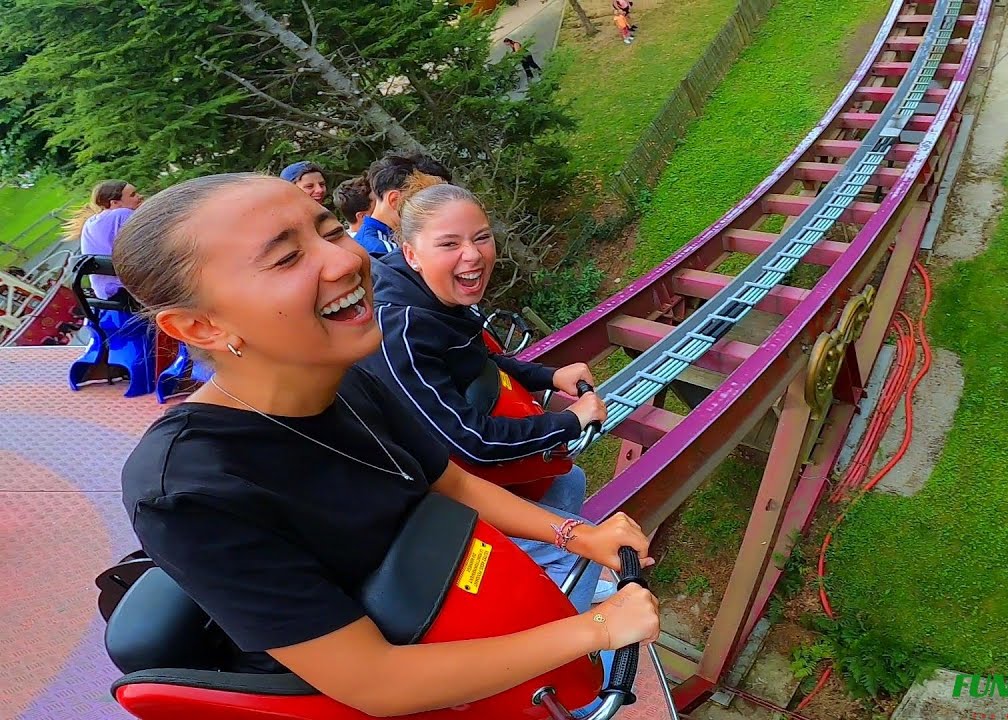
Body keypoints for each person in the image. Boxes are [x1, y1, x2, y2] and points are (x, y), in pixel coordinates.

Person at [113, 172, 660, 717]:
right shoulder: (189, 491)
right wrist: (597, 626)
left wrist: (578, 535)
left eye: (329, 232)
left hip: (462, 610)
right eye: (285, 259)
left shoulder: (340, 372)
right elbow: (375, 681)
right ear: (199, 326)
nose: (346, 262)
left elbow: (445, 482)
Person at [359, 172, 614, 606]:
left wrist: (548, 377)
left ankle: (552, 585)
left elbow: (477, 359)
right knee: (580, 556)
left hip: (460, 465)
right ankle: (568, 641)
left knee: (568, 480)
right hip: (424, 498)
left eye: (481, 238)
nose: (472, 255)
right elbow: (472, 441)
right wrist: (570, 420)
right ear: (411, 253)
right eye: (449, 244)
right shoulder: (401, 332)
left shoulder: (438, 296)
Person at [354, 152, 453, 258]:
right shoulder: (383, 252)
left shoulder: (378, 240)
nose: (436, 206)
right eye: (423, 198)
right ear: (395, 200)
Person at [66, 180, 144, 302]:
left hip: (106, 292)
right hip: (129, 289)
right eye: (133, 195)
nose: (140, 196)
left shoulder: (90, 222)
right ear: (115, 202)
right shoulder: (123, 214)